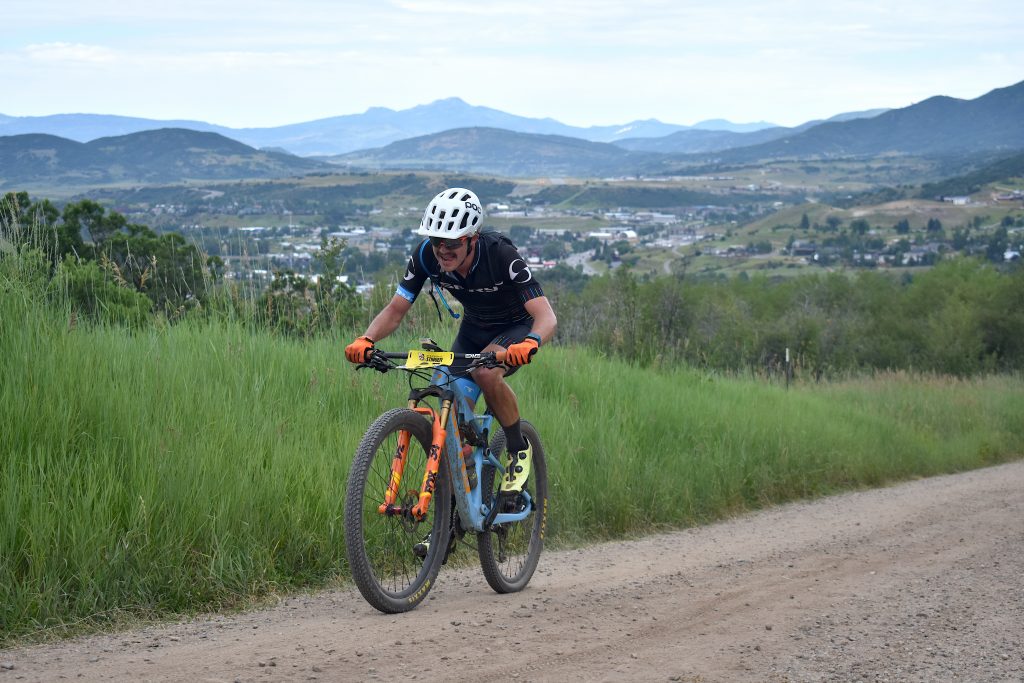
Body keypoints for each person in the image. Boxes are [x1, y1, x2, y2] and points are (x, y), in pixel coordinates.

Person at [344, 187, 556, 494]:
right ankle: (459, 496)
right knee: (447, 403)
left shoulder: (501, 254)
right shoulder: (424, 256)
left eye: (452, 242)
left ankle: (517, 448)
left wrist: (531, 342)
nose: (442, 249)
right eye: (436, 239)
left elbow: (546, 316)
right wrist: (366, 339)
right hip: (473, 331)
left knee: (485, 373)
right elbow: (395, 310)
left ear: (472, 238)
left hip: (516, 328)